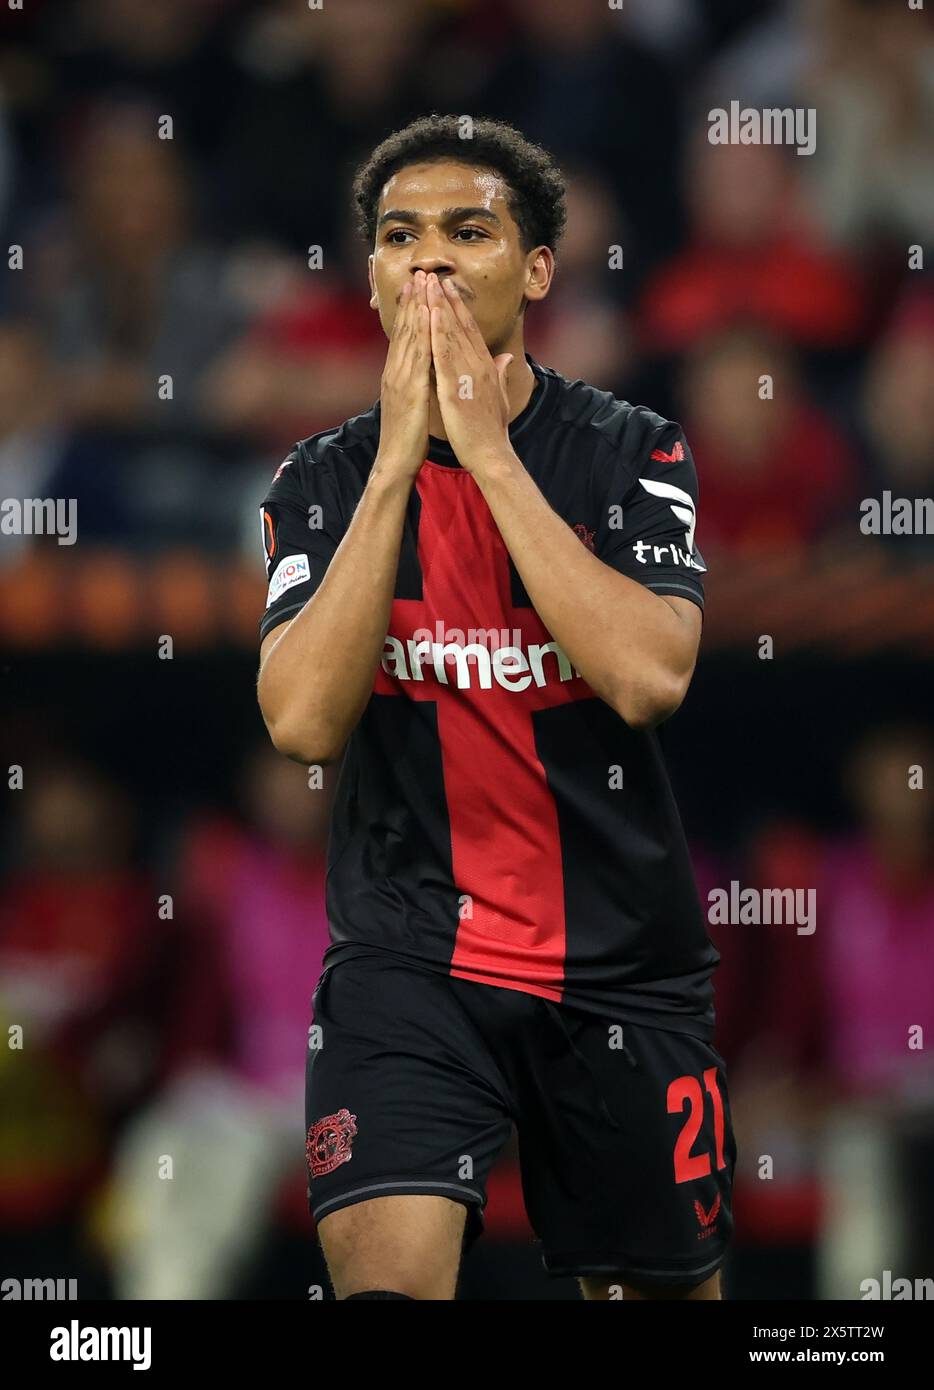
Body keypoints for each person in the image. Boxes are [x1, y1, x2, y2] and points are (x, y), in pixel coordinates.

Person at [256, 115, 736, 1302]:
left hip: (617, 971)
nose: (428, 261)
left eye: (467, 232)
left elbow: (647, 675)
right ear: (370, 276)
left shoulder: (631, 452)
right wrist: (398, 466)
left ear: (532, 272)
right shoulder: (317, 481)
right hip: (407, 963)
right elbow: (305, 722)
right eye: (399, 237)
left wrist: (484, 450)